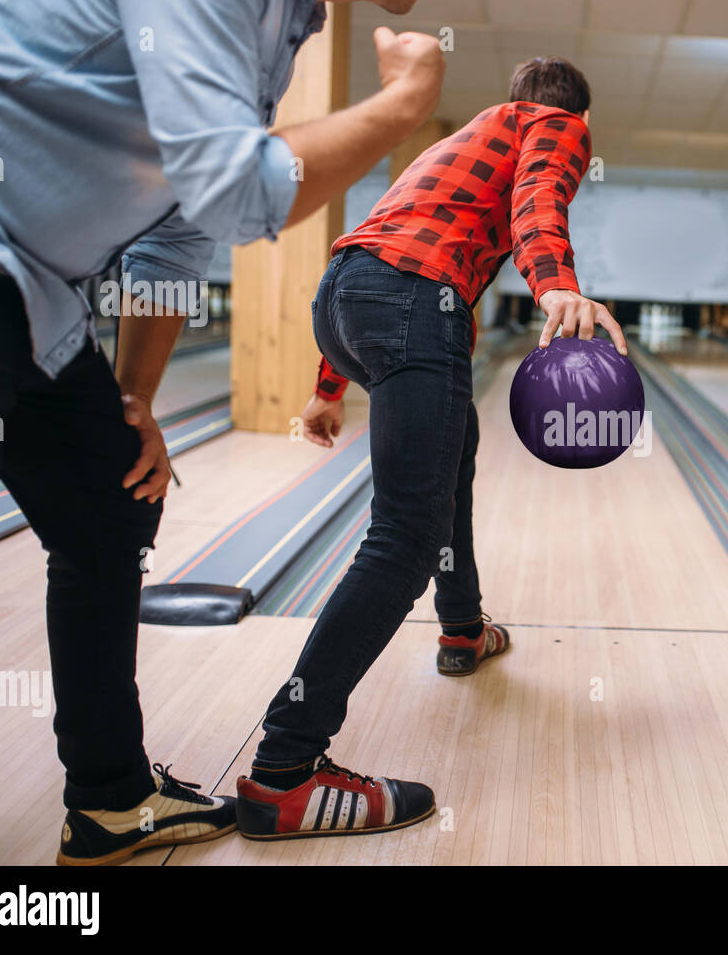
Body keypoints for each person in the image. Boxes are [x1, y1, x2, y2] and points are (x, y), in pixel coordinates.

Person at [0, 0, 444, 865]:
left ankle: (110, 799)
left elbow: (179, 235)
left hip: (27, 289)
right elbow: (242, 188)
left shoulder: (276, 30)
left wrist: (135, 398)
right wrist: (403, 107)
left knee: (112, 498)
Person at [234, 57, 627, 841]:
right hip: (416, 303)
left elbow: (380, 255)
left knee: (458, 446)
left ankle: (461, 627)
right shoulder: (556, 125)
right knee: (405, 536)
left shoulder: (456, 143)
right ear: (577, 117)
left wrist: (328, 385)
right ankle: (285, 769)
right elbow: (537, 198)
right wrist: (554, 283)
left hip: (343, 298)